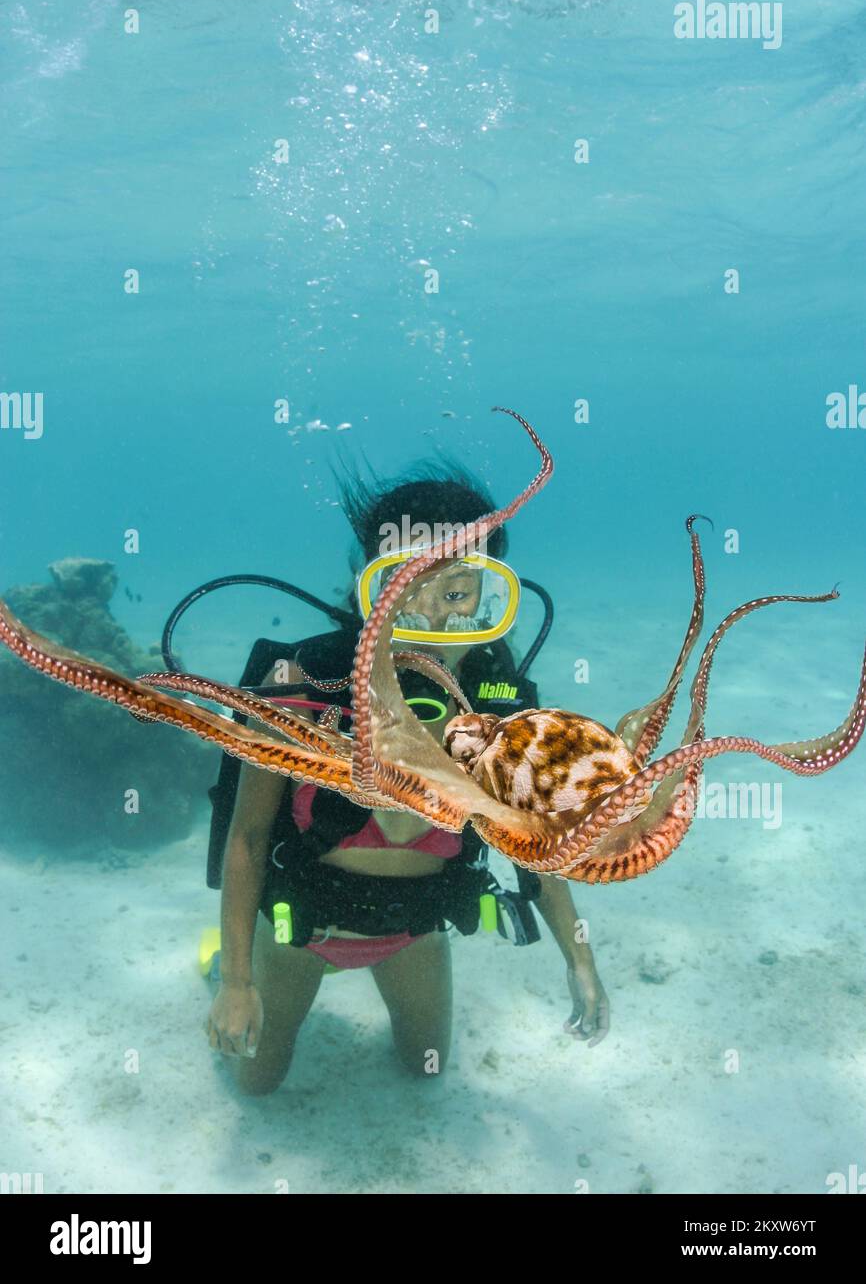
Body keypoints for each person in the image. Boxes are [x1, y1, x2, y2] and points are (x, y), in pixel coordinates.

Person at [206, 461, 609, 1091]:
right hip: (302, 932)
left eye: (457, 591)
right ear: (368, 584)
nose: (431, 614)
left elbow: (535, 843)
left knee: (426, 1072)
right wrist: (236, 982)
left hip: (414, 933)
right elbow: (249, 837)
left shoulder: (498, 699)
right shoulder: (303, 682)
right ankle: (222, 959)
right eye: (406, 584)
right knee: (256, 1083)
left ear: (488, 594)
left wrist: (578, 959)